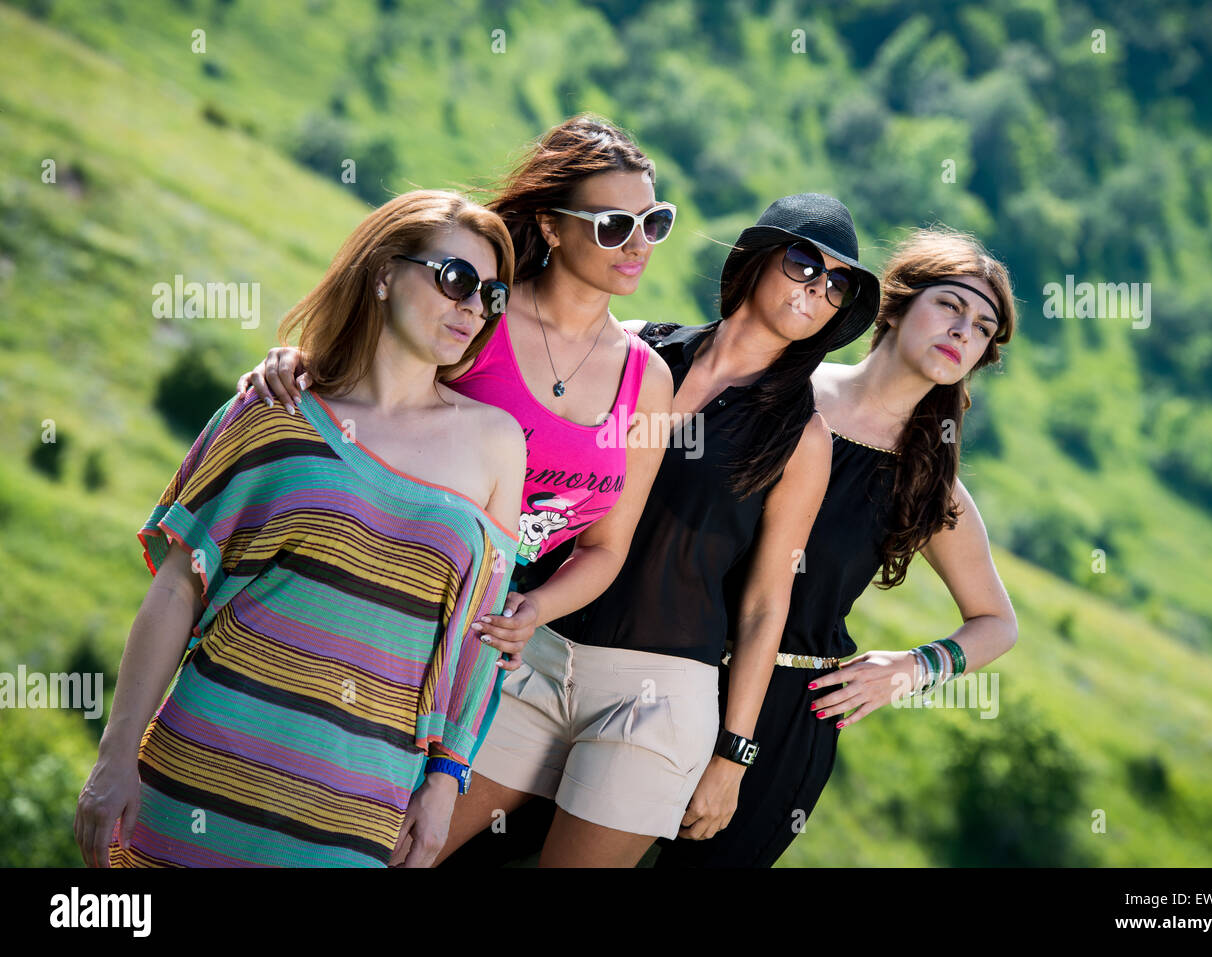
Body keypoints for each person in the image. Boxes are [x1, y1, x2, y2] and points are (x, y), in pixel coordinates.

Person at [74, 190, 525, 867]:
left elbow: (477, 640)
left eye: (490, 294)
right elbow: (176, 590)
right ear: (381, 273)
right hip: (197, 775)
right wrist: (114, 757)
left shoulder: (496, 446)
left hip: (358, 811)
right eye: (456, 279)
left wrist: (445, 781)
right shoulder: (273, 407)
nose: (471, 306)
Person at [435, 193, 881, 867]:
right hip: (536, 650)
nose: (817, 286)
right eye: (802, 261)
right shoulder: (639, 348)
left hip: (661, 694)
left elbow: (767, 604)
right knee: (413, 839)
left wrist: (733, 755)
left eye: (837, 283)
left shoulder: (802, 436)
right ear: (757, 260)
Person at [237, 114, 676, 678]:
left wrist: (532, 610)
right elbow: (384, 386)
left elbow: (605, 548)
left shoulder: (649, 381)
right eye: (614, 225)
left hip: (479, 637)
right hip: (374, 580)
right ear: (550, 226)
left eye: (653, 222)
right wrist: (302, 365)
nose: (638, 244)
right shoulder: (481, 313)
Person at [650, 226, 1020, 868]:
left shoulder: (928, 476)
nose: (965, 331)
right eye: (951, 306)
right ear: (897, 304)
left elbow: (998, 622)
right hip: (659, 658)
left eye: (984, 327)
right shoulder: (780, 386)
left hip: (786, 720)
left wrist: (914, 667)